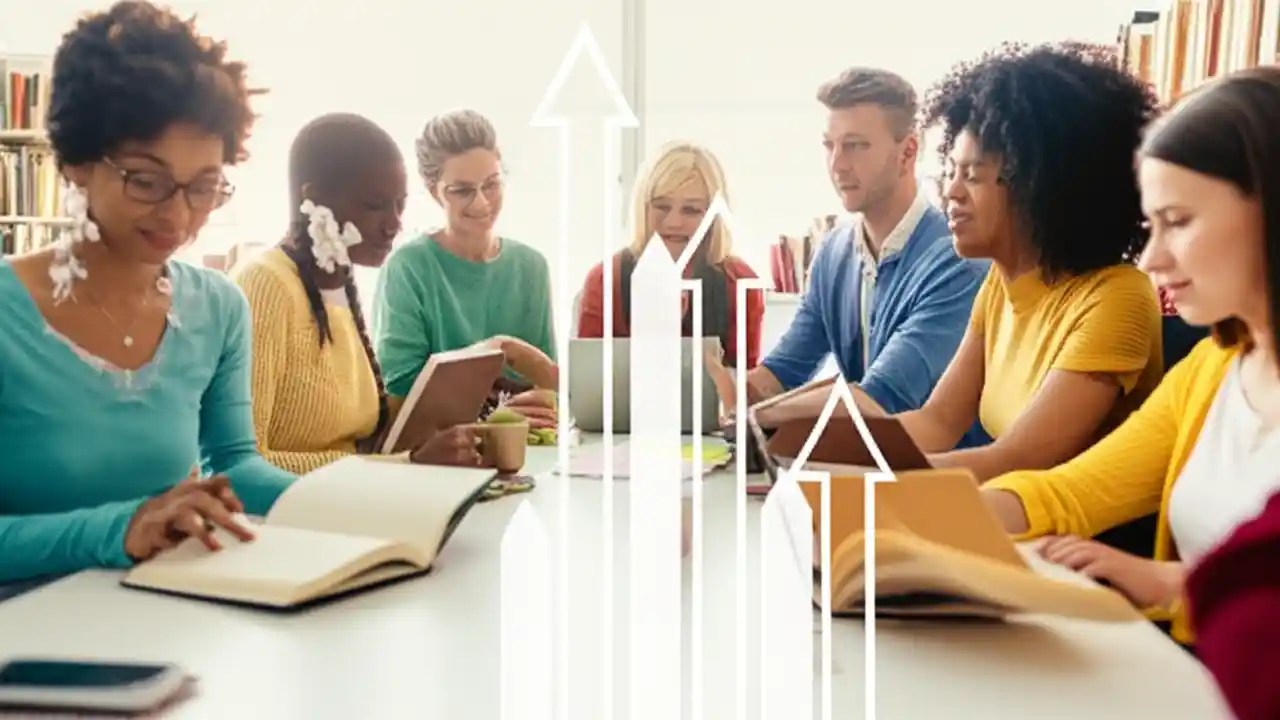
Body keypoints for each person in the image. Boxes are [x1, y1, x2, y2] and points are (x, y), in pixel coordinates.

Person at [755, 43, 1164, 482]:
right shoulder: (999, 287)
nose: (951, 192)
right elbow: (936, 422)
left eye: (972, 176)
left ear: (1040, 187)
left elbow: (1016, 460)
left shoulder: (1116, 299)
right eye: (951, 171)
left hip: (1056, 523)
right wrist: (807, 448)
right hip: (998, 510)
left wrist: (846, 471)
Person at [978, 65, 1280, 647]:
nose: (1151, 259)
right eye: (1151, 226)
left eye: (1179, 222)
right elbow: (1072, 492)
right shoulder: (1211, 371)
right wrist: (926, 519)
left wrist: (1171, 583)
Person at [0, 0, 293, 584]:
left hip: (165, 612)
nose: (178, 216)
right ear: (77, 163)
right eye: (147, 180)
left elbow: (236, 467)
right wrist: (121, 529)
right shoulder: (10, 313)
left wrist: (363, 499)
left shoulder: (218, 307)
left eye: (204, 186)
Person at [723, 67, 987, 441]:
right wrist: (715, 389)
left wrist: (754, 416)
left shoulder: (958, 261)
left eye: (856, 145)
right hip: (866, 464)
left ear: (908, 152)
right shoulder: (833, 252)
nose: (837, 164)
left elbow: (881, 399)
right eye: (829, 145)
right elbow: (782, 372)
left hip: (941, 471)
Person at [231, 113, 485, 475]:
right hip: (295, 509)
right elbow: (244, 466)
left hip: (351, 501)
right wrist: (403, 465)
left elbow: (362, 444)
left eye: (399, 204)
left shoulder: (338, 286)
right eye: (375, 205)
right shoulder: (265, 285)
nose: (394, 224)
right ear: (313, 198)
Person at [372, 109, 557, 428]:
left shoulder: (531, 268)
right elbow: (398, 401)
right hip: (439, 452)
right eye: (462, 190)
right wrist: (492, 414)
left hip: (525, 446)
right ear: (434, 191)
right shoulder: (408, 269)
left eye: (491, 185)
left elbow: (548, 386)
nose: (482, 203)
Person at [577, 140, 765, 368]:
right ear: (643, 208)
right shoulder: (606, 280)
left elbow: (745, 380)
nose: (674, 222)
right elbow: (588, 375)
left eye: (691, 210)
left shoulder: (740, 282)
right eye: (662, 206)